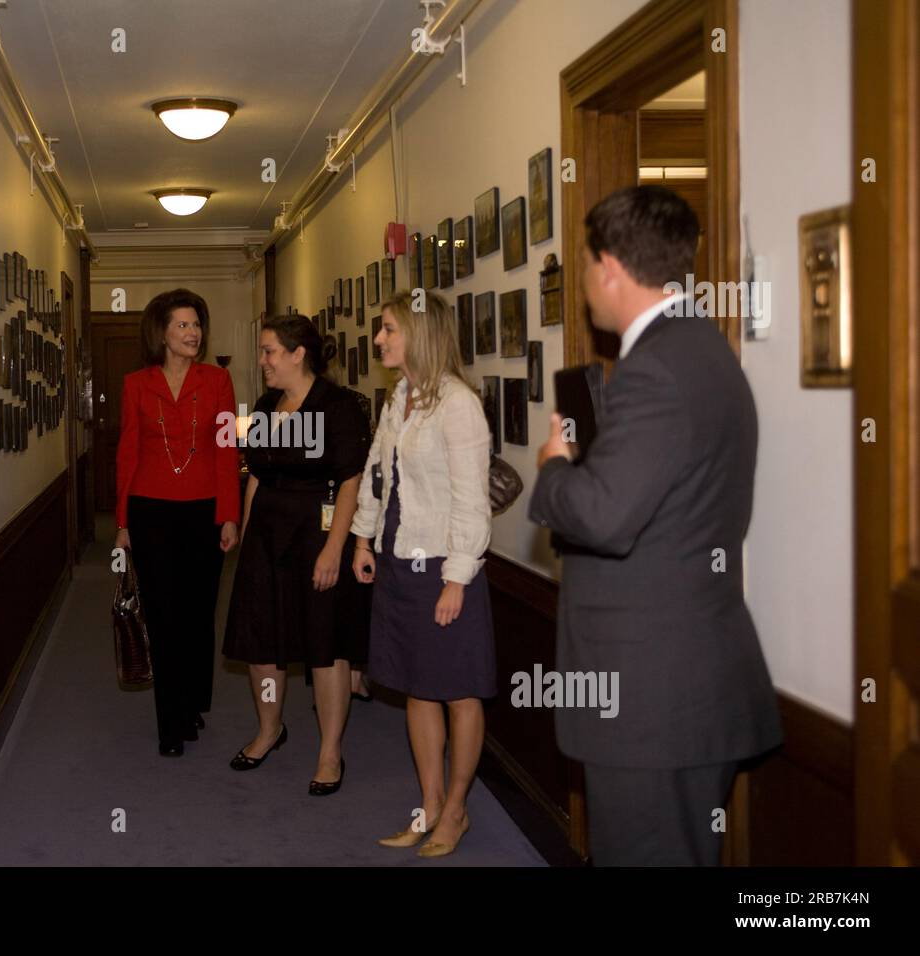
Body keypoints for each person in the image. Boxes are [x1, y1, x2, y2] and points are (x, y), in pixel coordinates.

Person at [529, 185, 782, 865]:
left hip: (651, 699)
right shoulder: (702, 349)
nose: (583, 285)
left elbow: (604, 517)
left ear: (610, 266)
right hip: (685, 686)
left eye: (585, 266)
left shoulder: (658, 369)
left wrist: (554, 470)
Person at [351, 290, 495, 858]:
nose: (380, 339)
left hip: (443, 568)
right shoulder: (401, 397)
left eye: (388, 329)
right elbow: (375, 474)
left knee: (458, 691)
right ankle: (429, 805)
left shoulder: (457, 403)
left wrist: (457, 578)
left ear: (419, 333)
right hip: (398, 562)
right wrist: (363, 537)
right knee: (417, 687)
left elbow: (471, 500)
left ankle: (456, 810)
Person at [223, 316, 371, 794]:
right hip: (267, 535)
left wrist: (334, 549)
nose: (262, 361)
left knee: (324, 645)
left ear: (297, 354)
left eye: (269, 351)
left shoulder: (339, 406)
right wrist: (247, 538)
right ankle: (270, 730)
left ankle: (331, 751)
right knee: (262, 642)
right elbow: (258, 476)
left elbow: (351, 481)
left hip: (317, 534)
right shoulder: (267, 406)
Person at [115, 289, 240, 757]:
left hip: (204, 509)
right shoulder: (135, 384)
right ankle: (171, 722)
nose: (193, 333)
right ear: (162, 333)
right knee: (164, 615)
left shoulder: (218, 381)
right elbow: (127, 452)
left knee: (197, 612)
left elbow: (228, 449)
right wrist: (124, 521)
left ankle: (192, 701)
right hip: (151, 510)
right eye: (183, 325)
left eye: (197, 324)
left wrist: (230, 514)